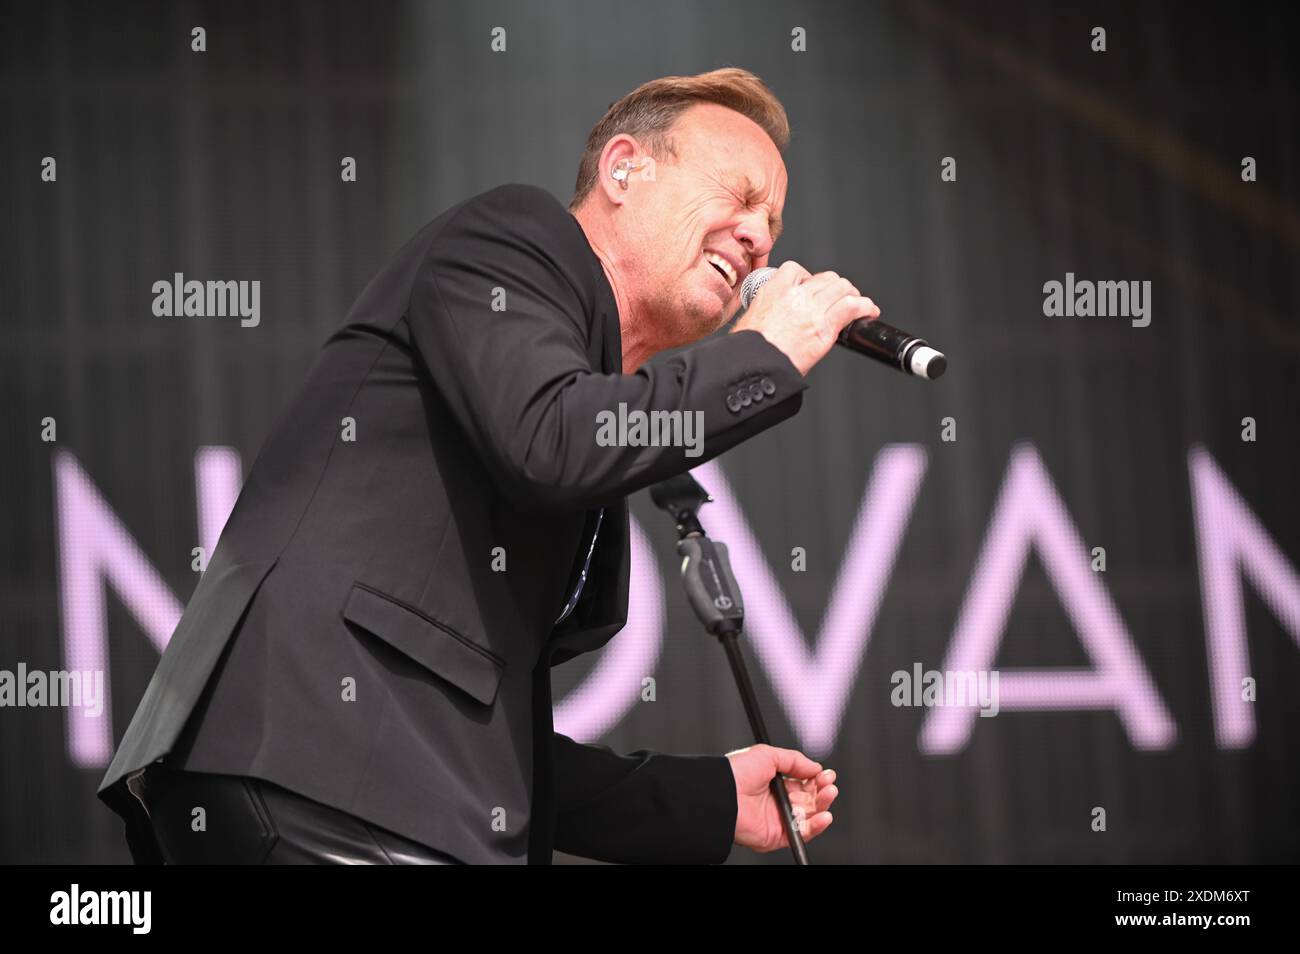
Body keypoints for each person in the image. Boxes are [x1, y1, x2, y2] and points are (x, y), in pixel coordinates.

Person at [98, 67, 876, 864]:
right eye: (739, 194)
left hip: (375, 797)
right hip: (312, 771)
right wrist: (763, 356)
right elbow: (555, 442)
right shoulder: (515, 237)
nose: (759, 236)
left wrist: (705, 801)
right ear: (622, 169)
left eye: (773, 221)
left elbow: (481, 746)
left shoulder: (574, 399)